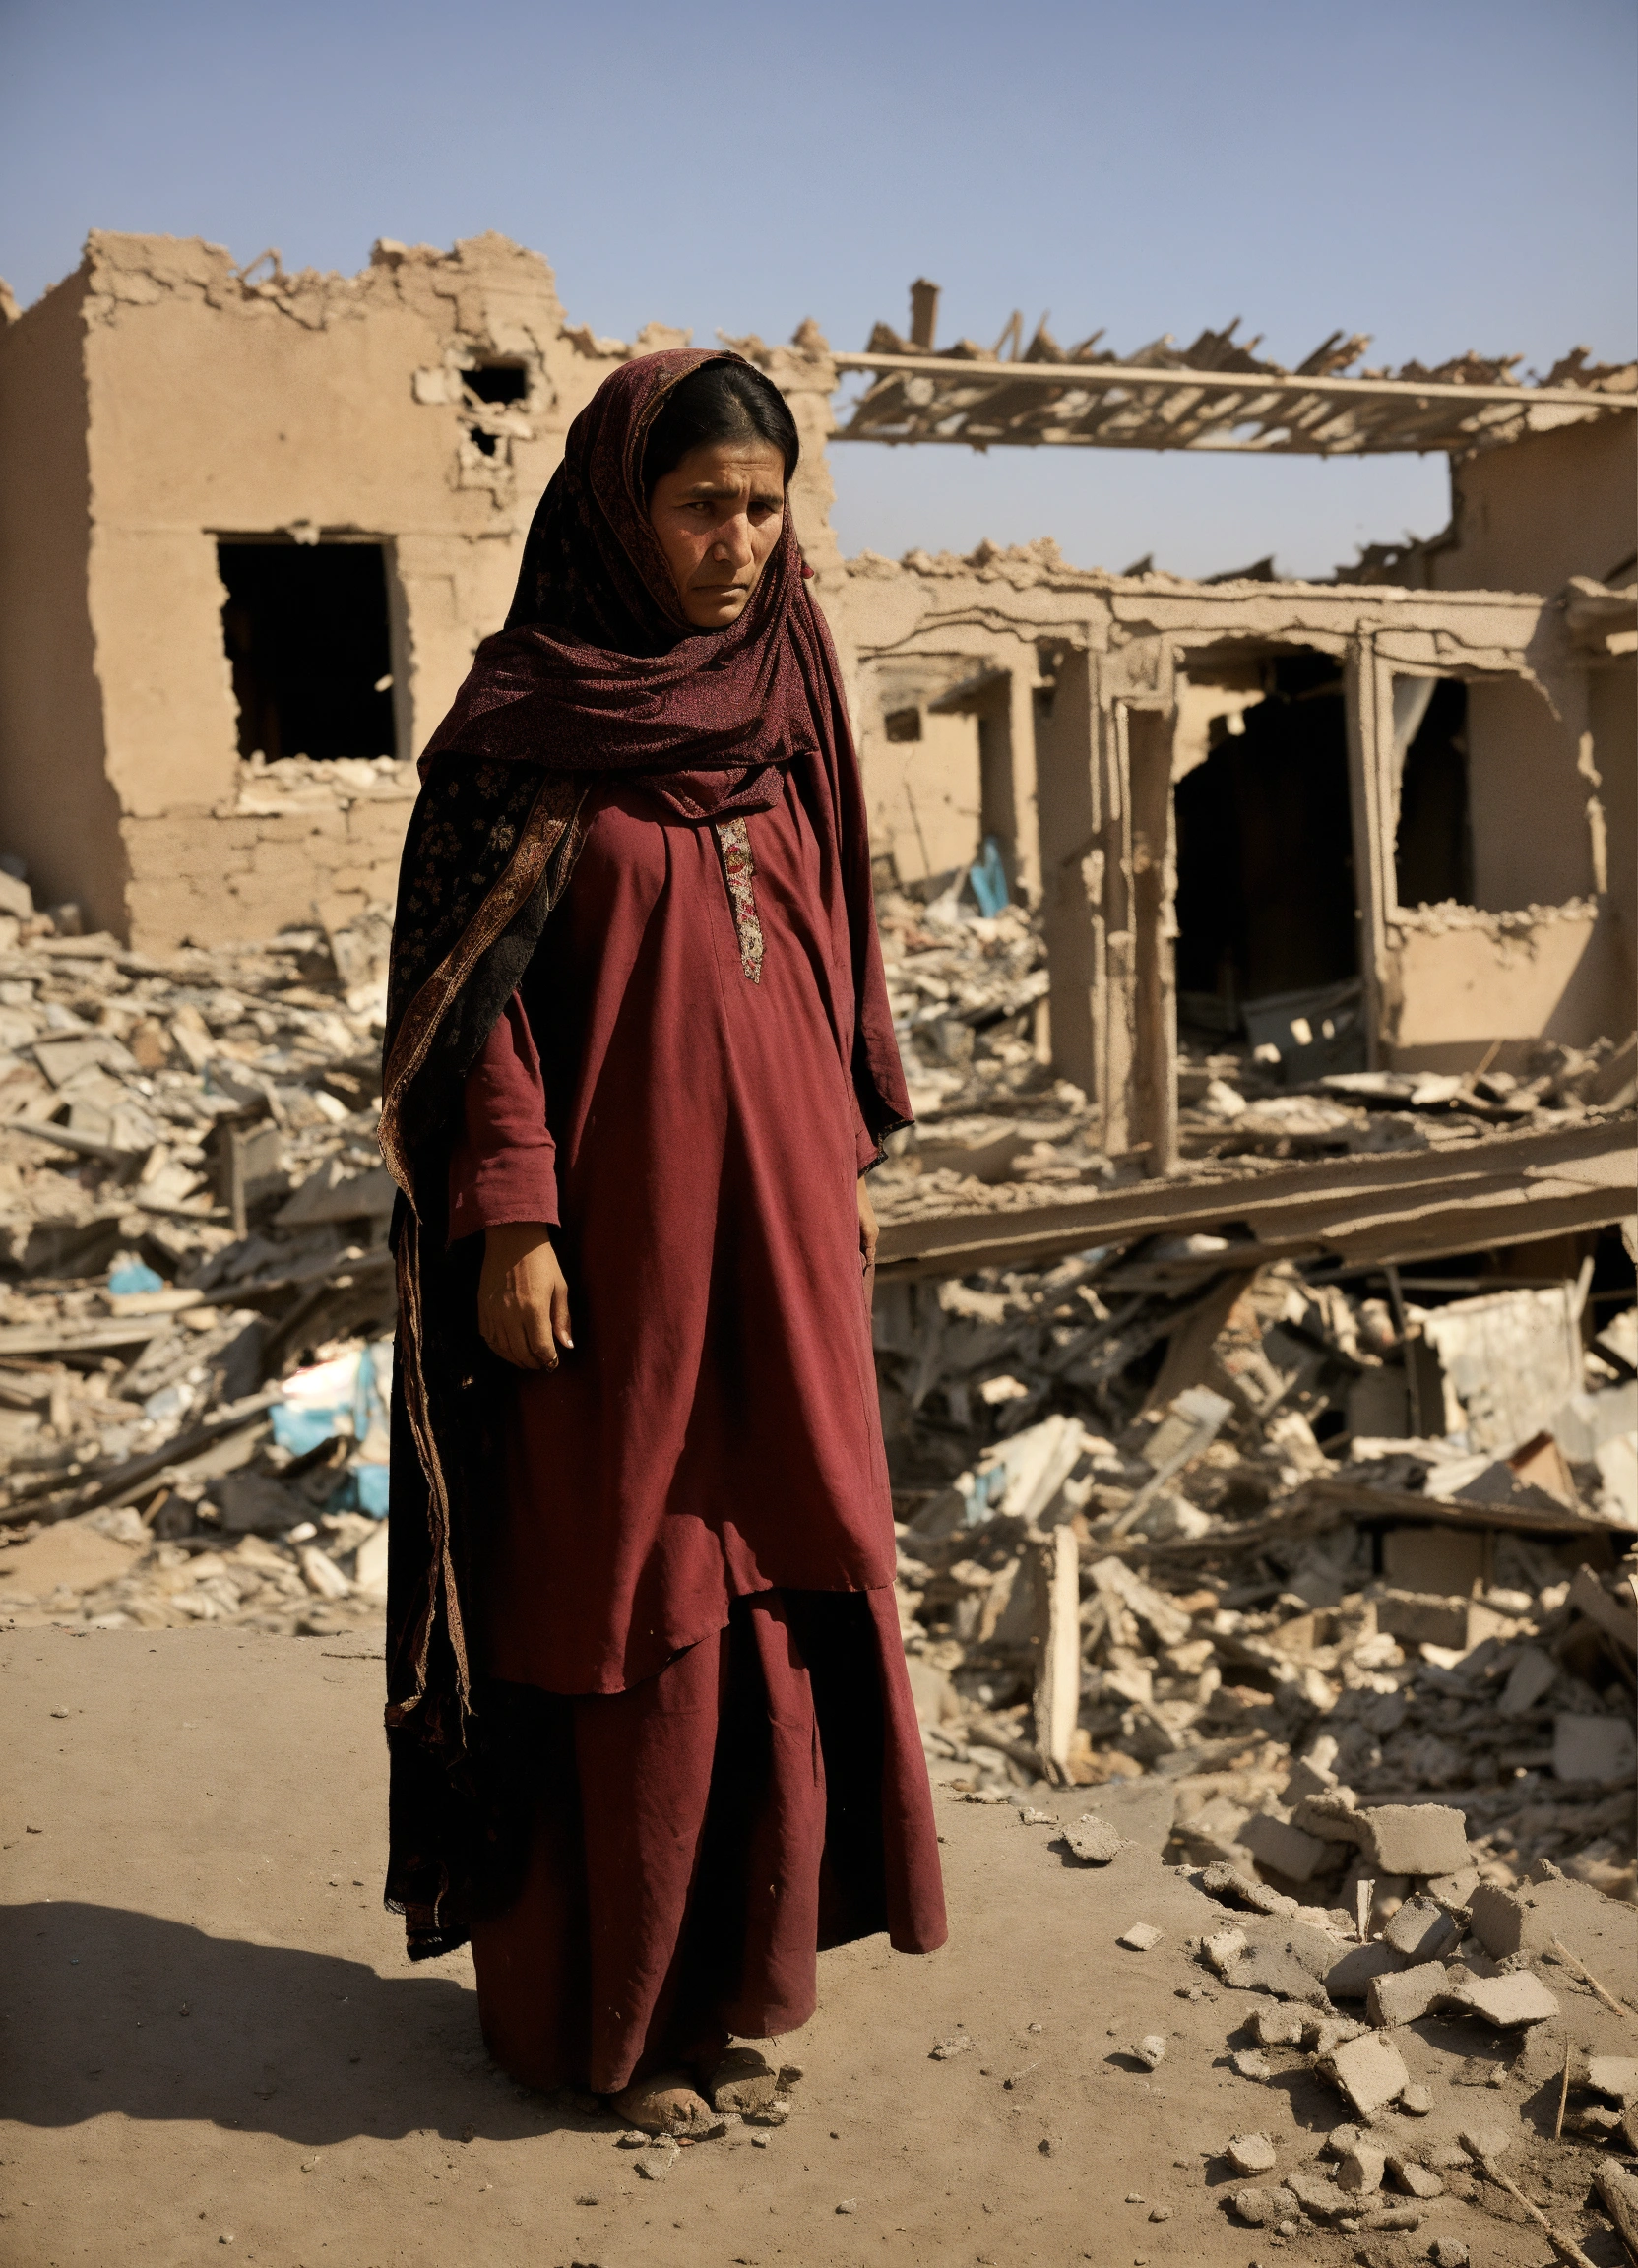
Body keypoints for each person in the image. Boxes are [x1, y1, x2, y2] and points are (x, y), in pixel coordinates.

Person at [377, 346, 946, 2128]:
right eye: (702, 506)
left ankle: (727, 1996)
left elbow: (843, 934)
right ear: (623, 508)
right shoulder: (519, 724)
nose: (736, 544)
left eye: (764, 508)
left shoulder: (789, 687)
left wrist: (845, 1160)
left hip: (779, 1229)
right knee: (624, 1594)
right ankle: (595, 2029)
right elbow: (477, 1020)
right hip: (608, 1251)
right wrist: (512, 1219)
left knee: (773, 1570)